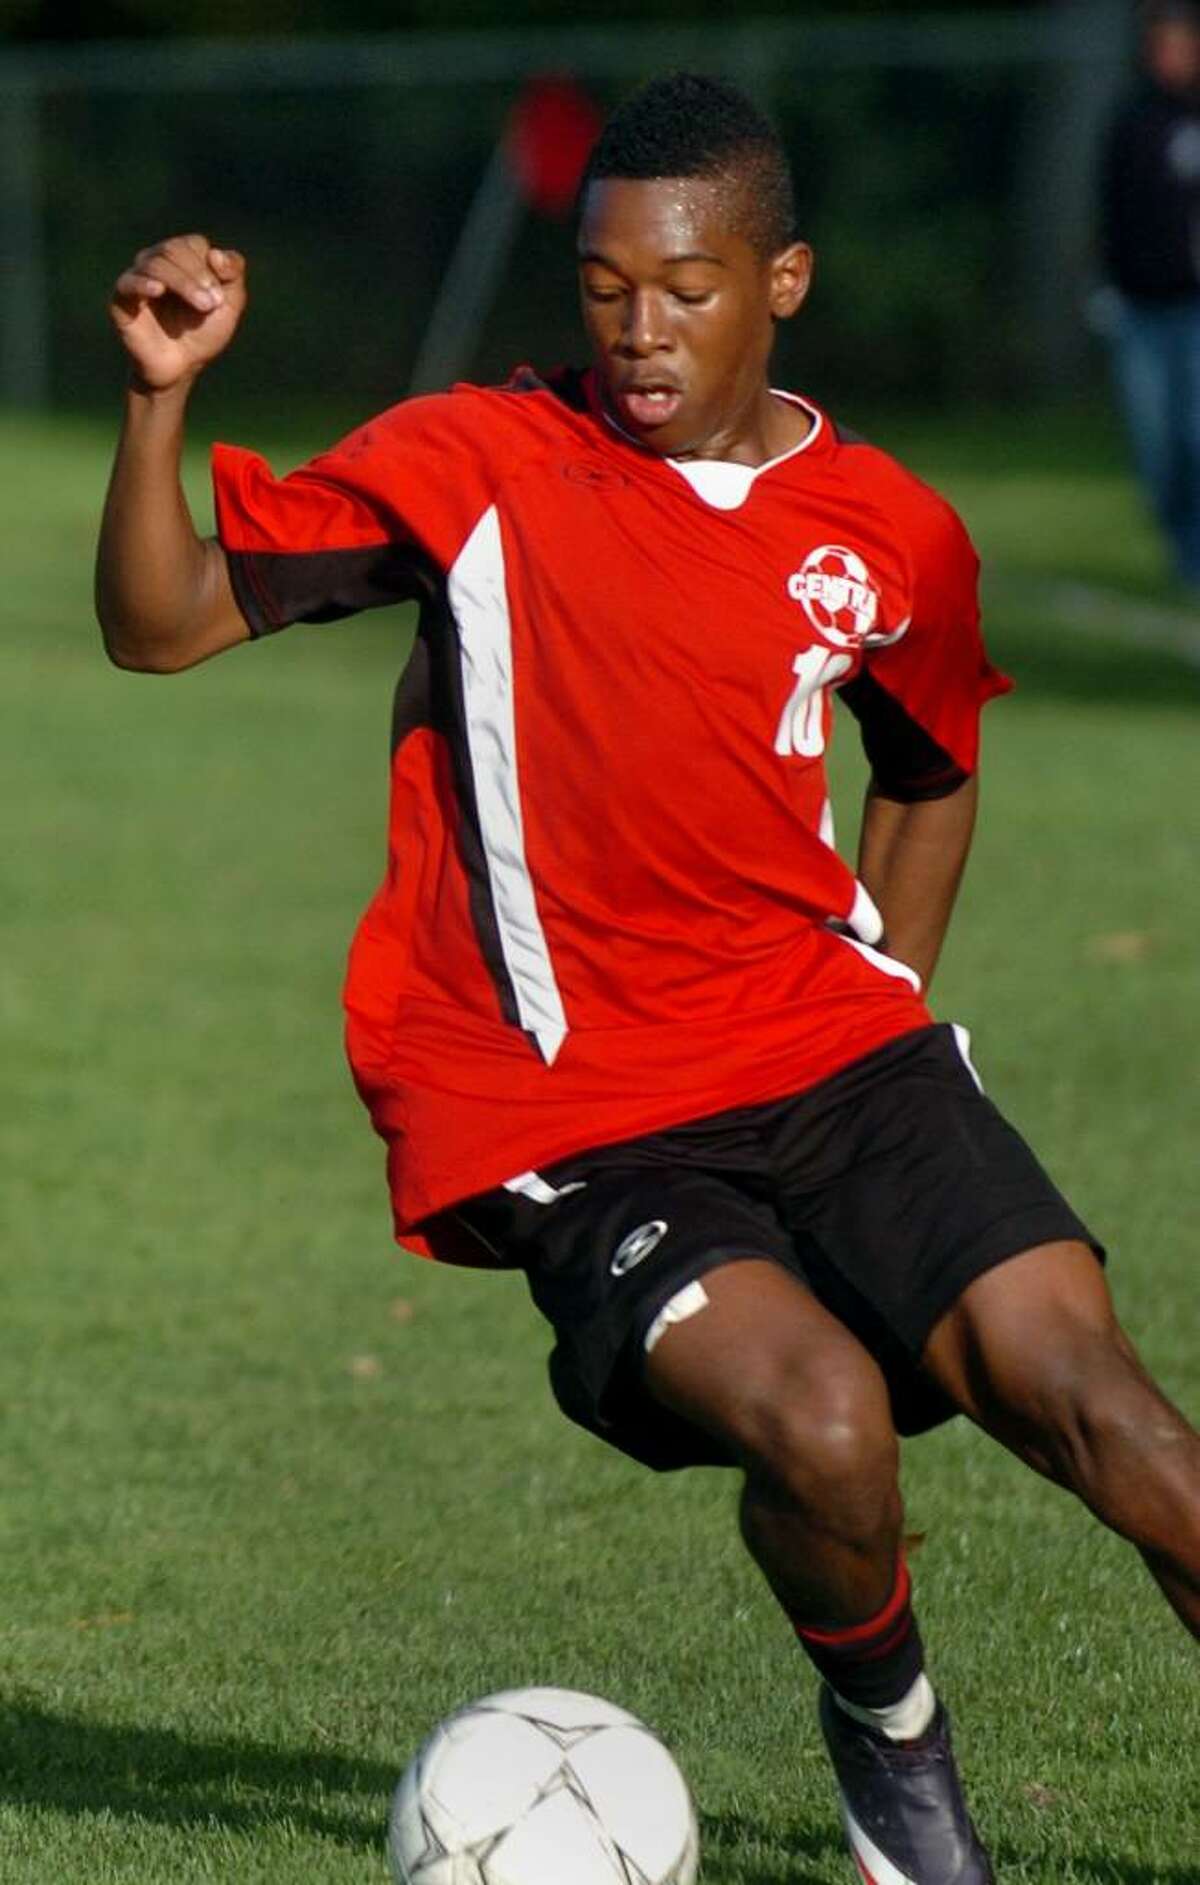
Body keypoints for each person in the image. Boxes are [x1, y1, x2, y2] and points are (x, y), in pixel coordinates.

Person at [97, 71, 1200, 1885]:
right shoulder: (481, 466)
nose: (637, 330)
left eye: (684, 288)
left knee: (1111, 1411)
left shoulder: (889, 528)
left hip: (836, 1054)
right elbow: (158, 626)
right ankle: (897, 1756)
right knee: (831, 1429)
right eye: (604, 287)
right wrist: (161, 403)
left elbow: (929, 765)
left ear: (785, 281)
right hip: (576, 1103)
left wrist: (884, 1006)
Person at [1099, 0, 1200, 587]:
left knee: (1195, 433)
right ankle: (1179, 541)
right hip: (1141, 308)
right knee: (1156, 443)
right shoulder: (1131, 121)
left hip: (1194, 309)